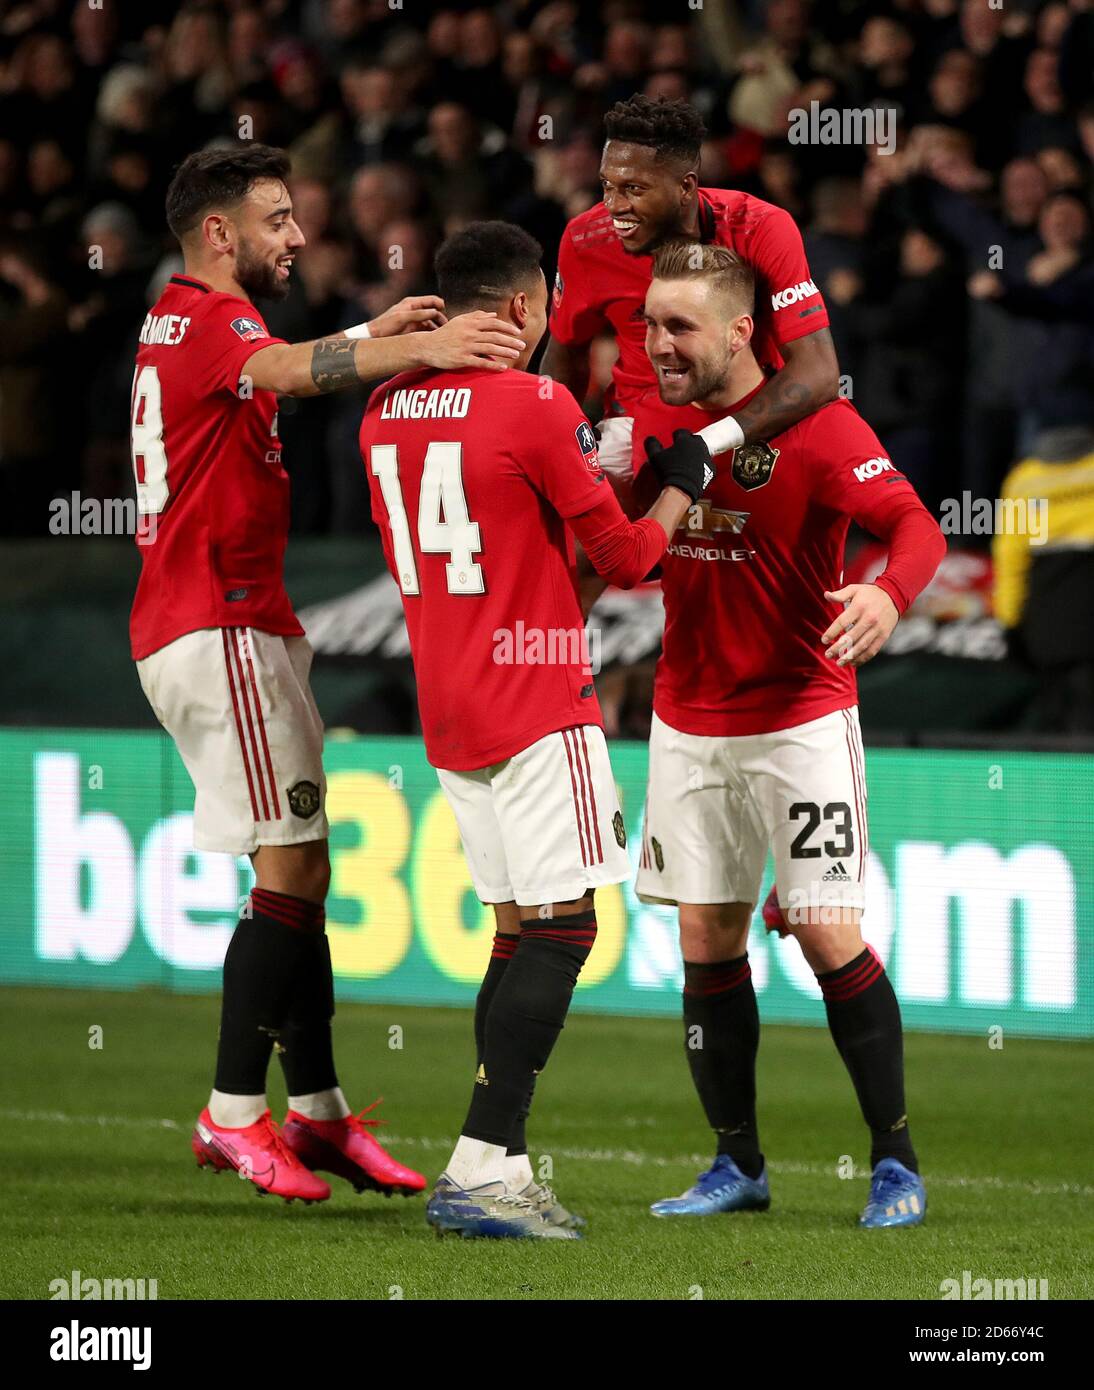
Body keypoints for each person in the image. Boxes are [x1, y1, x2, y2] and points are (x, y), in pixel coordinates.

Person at [131, 143, 525, 1204]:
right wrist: (422, 347)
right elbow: (287, 373)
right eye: (276, 219)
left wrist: (367, 332)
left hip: (221, 621)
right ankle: (230, 1114)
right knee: (290, 874)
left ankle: (316, 1114)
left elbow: (278, 361)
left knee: (299, 867)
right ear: (220, 234)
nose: (296, 236)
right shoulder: (219, 323)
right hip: (218, 626)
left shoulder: (180, 318)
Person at [359, 220, 712, 1239]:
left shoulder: (383, 411)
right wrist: (680, 482)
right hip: (539, 698)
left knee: (516, 932)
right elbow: (636, 562)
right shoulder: (535, 401)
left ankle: (501, 1165)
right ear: (523, 307)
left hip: (452, 703)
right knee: (566, 928)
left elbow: (517, 550)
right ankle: (478, 1166)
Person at [631, 241, 946, 1228]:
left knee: (822, 931)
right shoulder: (645, 419)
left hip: (798, 719)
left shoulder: (818, 422)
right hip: (685, 719)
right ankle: (736, 1165)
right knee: (704, 937)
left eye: (676, 326)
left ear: (740, 330)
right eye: (646, 324)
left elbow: (915, 526)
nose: (655, 343)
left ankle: (893, 1160)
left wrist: (888, 595)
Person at [542, 94, 839, 477]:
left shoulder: (761, 228)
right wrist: (558, 446)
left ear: (686, 187)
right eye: (607, 185)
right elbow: (563, 355)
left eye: (633, 189)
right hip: (633, 424)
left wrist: (708, 444)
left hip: (749, 419)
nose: (613, 206)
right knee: (577, 526)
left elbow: (819, 371)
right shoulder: (586, 239)